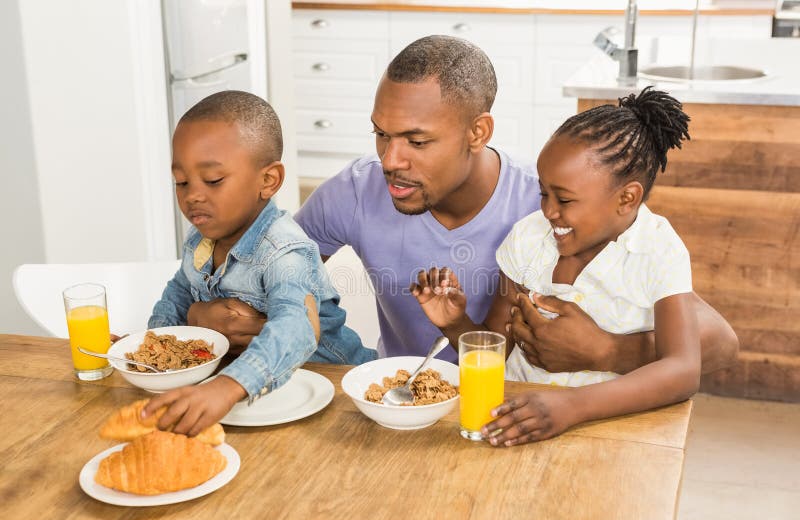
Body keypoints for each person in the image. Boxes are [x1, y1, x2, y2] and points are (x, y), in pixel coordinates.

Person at [189, 36, 737, 380]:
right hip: (400, 395)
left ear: (478, 132)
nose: (389, 160)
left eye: (416, 141)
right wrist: (208, 319)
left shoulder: (549, 206)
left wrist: (606, 352)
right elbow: (260, 268)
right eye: (381, 134)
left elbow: (716, 341)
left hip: (515, 404)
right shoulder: (356, 191)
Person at [413, 87, 702, 445]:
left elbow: (684, 369)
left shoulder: (657, 251)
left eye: (564, 199)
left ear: (627, 198)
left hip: (607, 428)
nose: (548, 211)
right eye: (543, 193)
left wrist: (572, 407)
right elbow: (498, 350)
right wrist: (456, 323)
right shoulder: (528, 238)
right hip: (517, 416)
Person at [141, 91, 375, 435]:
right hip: (262, 401)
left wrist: (227, 386)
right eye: (181, 181)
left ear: (268, 181)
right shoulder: (201, 238)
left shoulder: (283, 251)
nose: (192, 195)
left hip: (337, 391)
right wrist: (152, 347)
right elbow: (180, 291)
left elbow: (295, 326)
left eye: (213, 180)